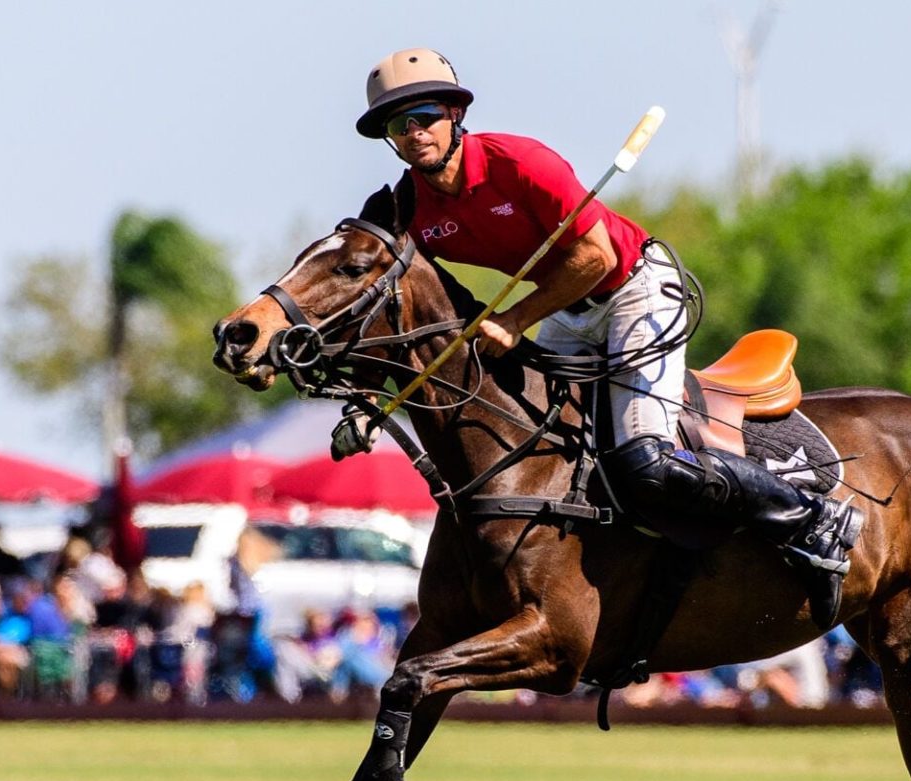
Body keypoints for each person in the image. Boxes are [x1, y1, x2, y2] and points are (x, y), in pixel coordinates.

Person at [342, 48, 862, 628]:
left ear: (455, 114)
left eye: (426, 115)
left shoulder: (521, 163)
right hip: (567, 307)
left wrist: (514, 322)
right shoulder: (409, 205)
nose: (415, 133)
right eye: (398, 124)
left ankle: (809, 516)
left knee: (646, 458)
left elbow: (595, 257)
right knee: (546, 445)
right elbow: (377, 280)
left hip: (633, 284)